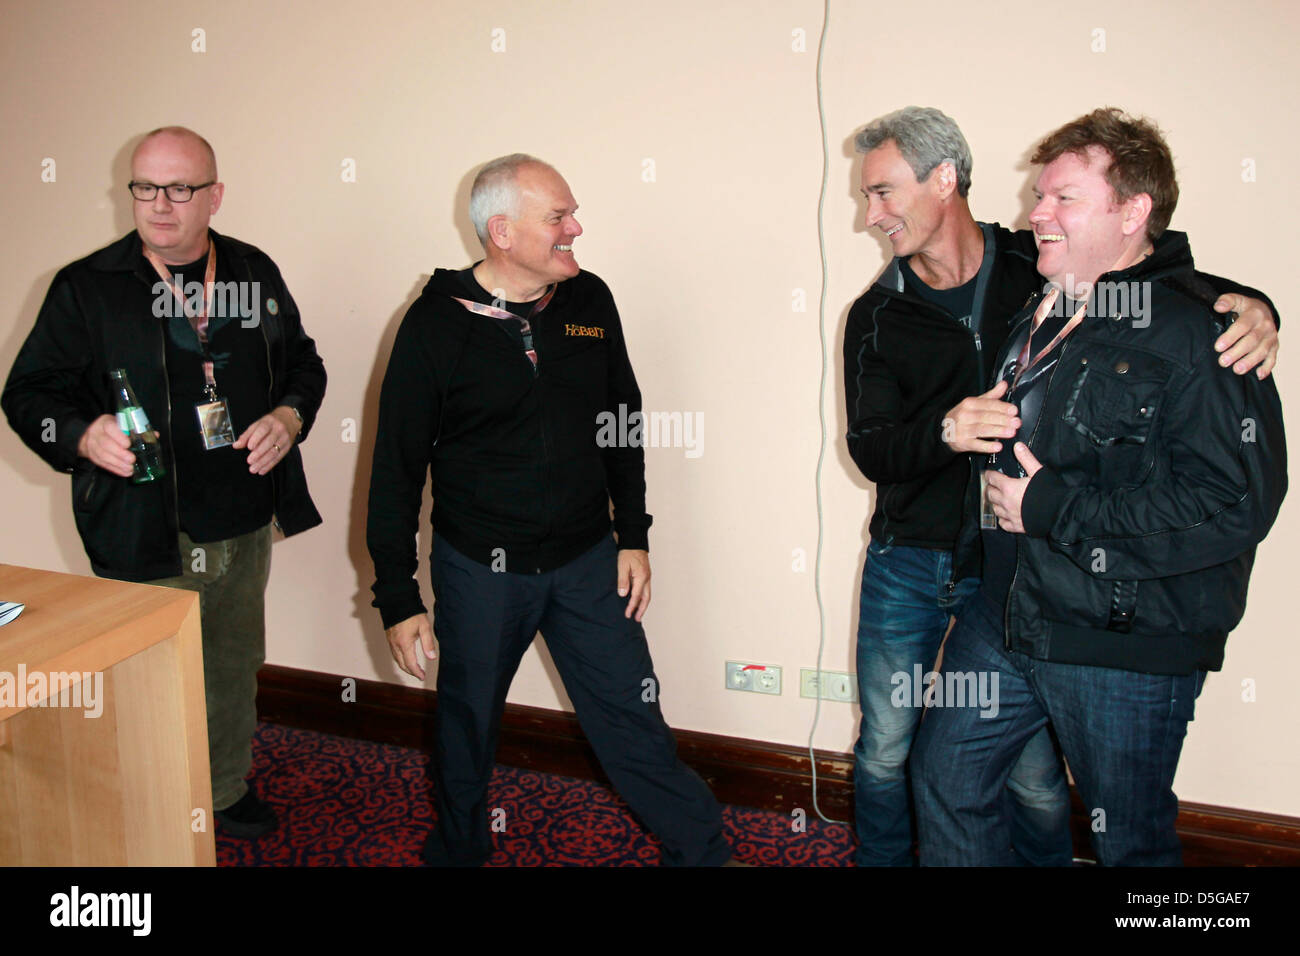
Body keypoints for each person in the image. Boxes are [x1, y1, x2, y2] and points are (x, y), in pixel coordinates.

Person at [844, 106, 1278, 867]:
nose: (1036, 213)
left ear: (1133, 211)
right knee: (940, 778)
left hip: (1120, 640)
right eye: (1039, 197)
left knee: (1128, 843)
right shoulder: (1044, 305)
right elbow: (874, 445)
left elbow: (1234, 502)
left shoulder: (1196, 330)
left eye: (1062, 198)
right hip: (1005, 611)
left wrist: (1256, 305)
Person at [366, 153, 734, 867]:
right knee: (466, 728)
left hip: (588, 561)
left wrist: (634, 535)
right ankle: (459, 854)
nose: (576, 228)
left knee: (633, 719)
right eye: (558, 217)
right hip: (481, 569)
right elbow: (395, 471)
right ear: (501, 231)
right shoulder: (433, 327)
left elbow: (622, 420)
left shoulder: (590, 301)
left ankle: (704, 855)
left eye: (571, 213)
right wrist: (397, 598)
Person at [3, 126, 326, 839]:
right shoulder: (88, 286)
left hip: (241, 515)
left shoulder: (251, 271)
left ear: (214, 195)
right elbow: (27, 394)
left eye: (179, 189)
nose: (158, 205)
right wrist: (82, 434)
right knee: (147, 678)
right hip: (140, 520)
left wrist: (288, 415)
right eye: (144, 187)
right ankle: (146, 803)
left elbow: (305, 365)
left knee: (233, 661)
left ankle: (223, 787)